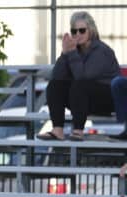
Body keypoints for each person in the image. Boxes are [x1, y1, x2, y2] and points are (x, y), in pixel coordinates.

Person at [38, 11, 120, 141]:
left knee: (80, 84)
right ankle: (57, 129)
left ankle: (78, 130)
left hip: (107, 98)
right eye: (74, 31)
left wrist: (71, 54)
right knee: (55, 85)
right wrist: (64, 54)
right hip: (81, 99)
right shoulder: (73, 50)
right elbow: (57, 76)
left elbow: (83, 76)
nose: (77, 34)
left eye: (82, 30)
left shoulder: (102, 51)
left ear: (91, 31)